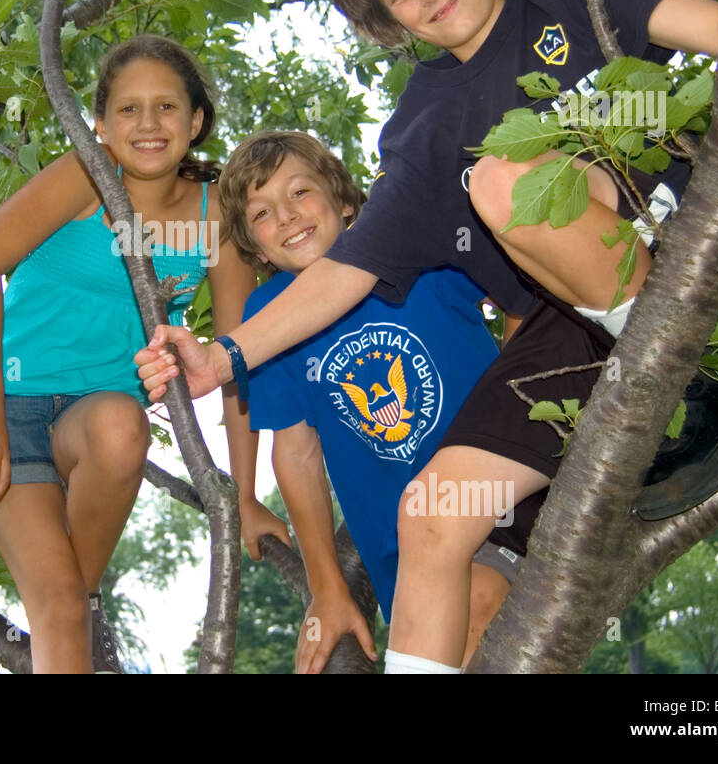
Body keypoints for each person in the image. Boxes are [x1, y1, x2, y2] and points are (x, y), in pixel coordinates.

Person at [137, 0, 718, 674]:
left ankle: (684, 373)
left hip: (696, 261)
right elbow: (348, 271)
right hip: (586, 329)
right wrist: (223, 358)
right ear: (390, 22)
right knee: (430, 512)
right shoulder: (421, 131)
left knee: (501, 181)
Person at [0, 34, 270, 673]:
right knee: (63, 609)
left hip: (99, 427)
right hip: (8, 412)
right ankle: (70, 607)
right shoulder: (84, 174)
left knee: (122, 431)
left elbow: (236, 359)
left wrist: (243, 493)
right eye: (127, 109)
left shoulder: (216, 220)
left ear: (196, 121)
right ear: (99, 124)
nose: (147, 125)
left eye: (166, 108)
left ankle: (75, 596)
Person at [220, 129, 514, 673]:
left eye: (300, 192)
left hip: (501, 511)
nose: (285, 216)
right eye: (262, 214)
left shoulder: (415, 254)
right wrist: (328, 589)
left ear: (346, 202)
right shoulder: (267, 317)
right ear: (254, 247)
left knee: (476, 615)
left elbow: (523, 291)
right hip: (399, 556)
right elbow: (298, 454)